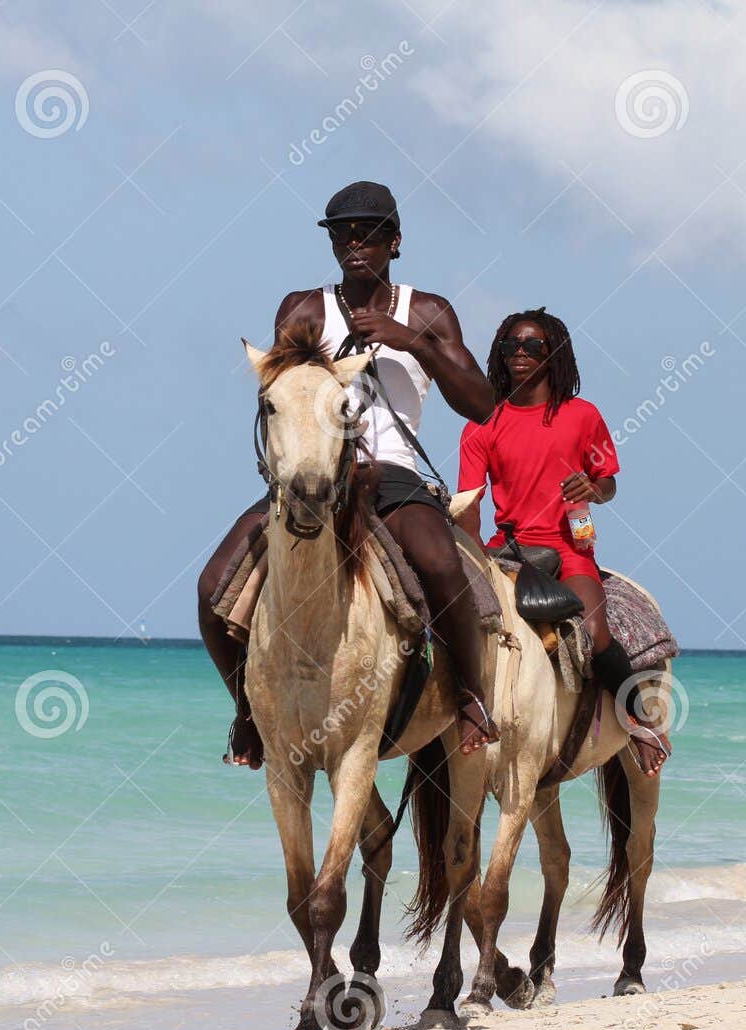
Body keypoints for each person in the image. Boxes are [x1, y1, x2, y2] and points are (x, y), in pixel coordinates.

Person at [198, 180, 499, 769]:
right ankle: (250, 710)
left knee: (441, 567)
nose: (356, 242)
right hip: (311, 478)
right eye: (343, 233)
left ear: (396, 241)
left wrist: (412, 343)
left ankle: (470, 699)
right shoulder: (304, 308)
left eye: (371, 232)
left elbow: (481, 404)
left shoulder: (429, 310)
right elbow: (278, 387)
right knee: (212, 591)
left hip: (392, 474)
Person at [455, 307, 670, 775]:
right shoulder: (481, 423)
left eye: (532, 345)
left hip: (571, 549)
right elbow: (469, 504)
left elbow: (607, 482)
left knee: (595, 634)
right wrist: (472, 563)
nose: (520, 354)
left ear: (553, 353)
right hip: (507, 550)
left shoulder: (582, 416)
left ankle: (640, 721)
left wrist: (594, 490)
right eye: (511, 345)